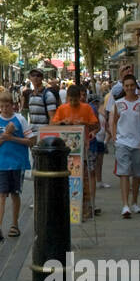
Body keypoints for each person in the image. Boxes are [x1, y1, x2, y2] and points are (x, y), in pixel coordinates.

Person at [0, 89, 35, 241]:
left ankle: (15, 224)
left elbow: (31, 141)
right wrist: (5, 135)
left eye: (7, 106)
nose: (4, 109)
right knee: (1, 193)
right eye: (1, 106)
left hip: (17, 162)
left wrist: (12, 137)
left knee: (15, 193)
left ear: (13, 105)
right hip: (1, 162)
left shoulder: (20, 119)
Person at [53, 83, 102, 216]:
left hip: (83, 147)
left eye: (76, 100)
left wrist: (84, 123)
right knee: (69, 178)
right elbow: (53, 123)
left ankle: (87, 207)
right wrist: (63, 123)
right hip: (67, 149)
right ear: (67, 98)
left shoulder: (86, 108)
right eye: (71, 100)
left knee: (84, 178)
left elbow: (95, 124)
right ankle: (69, 206)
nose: (74, 103)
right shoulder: (62, 109)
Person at [108, 75, 140, 218]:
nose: (129, 88)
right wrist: (114, 136)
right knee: (124, 173)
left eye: (132, 85)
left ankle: (135, 202)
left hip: (138, 143)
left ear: (135, 86)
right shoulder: (118, 103)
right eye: (127, 86)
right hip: (122, 143)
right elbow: (113, 121)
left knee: (137, 174)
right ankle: (125, 205)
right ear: (123, 87)